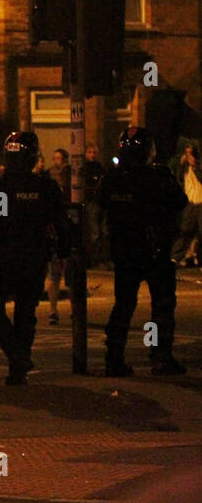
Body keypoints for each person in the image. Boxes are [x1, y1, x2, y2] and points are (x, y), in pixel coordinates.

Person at [0, 131, 69, 385]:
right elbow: (60, 223)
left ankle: (16, 358)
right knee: (25, 312)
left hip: (3, 258)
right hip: (33, 257)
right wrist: (63, 250)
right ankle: (19, 359)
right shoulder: (46, 187)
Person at [100, 127, 188, 376]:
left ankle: (114, 358)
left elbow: (103, 202)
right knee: (161, 305)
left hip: (125, 250)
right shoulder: (158, 176)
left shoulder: (113, 178)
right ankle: (160, 356)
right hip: (153, 249)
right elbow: (179, 201)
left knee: (123, 305)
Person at [46, 148, 73, 325]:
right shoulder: (51, 191)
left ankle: (73, 309)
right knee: (54, 276)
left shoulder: (71, 195)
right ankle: (53, 310)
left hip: (66, 237)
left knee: (70, 275)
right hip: (57, 237)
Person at [171, 143, 202, 268]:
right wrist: (181, 164)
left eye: (190, 153)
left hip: (201, 202)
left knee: (201, 233)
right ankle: (175, 257)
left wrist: (195, 166)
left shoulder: (199, 165)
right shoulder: (185, 167)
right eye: (186, 153)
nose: (188, 156)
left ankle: (200, 259)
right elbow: (178, 178)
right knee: (184, 231)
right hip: (190, 202)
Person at [83, 144, 108, 266]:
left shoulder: (99, 167)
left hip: (99, 201)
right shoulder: (84, 167)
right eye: (89, 152)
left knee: (102, 231)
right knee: (94, 231)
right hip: (91, 201)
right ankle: (95, 259)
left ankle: (100, 257)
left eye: (94, 152)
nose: (92, 154)